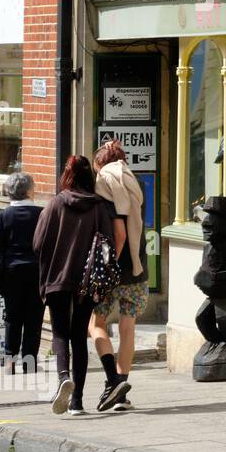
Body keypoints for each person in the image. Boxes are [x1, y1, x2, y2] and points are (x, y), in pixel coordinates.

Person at [33, 156, 116, 416]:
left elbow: (37, 242)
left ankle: (63, 377)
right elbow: (108, 245)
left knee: (60, 333)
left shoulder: (56, 204)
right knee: (79, 335)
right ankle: (77, 401)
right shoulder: (99, 207)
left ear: (67, 175)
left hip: (58, 278)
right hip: (88, 280)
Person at [88, 140, 148, 412]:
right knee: (128, 327)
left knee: (95, 323)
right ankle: (121, 392)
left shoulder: (105, 184)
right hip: (138, 267)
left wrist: (110, 266)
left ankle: (112, 381)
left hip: (111, 268)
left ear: (100, 164)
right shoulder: (133, 182)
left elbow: (119, 234)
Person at [0, 172, 44, 375]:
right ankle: (29, 362)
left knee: (12, 317)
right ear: (29, 191)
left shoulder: (4, 215)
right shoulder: (41, 213)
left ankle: (10, 361)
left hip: (12, 272)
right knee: (34, 317)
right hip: (37, 271)